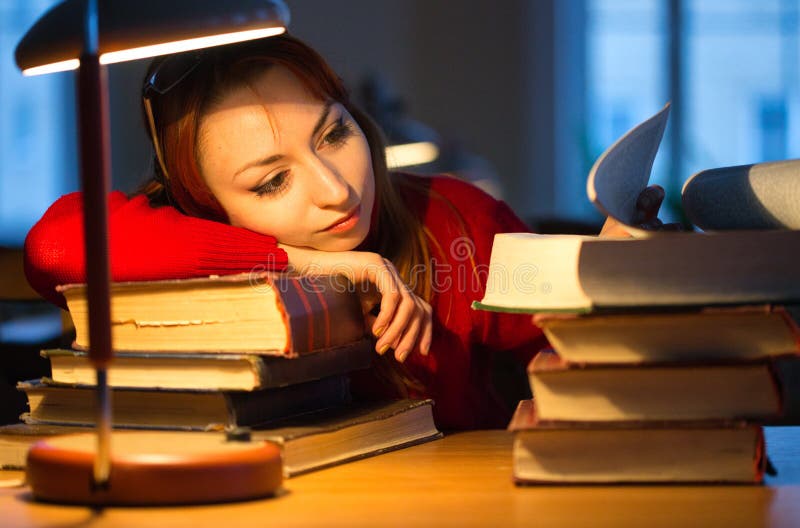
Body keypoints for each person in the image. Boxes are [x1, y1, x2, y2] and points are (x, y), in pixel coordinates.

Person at [24, 34, 660, 430]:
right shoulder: (188, 241)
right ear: (209, 208)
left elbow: (569, 355)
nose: (337, 190)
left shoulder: (455, 220)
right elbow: (54, 247)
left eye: (333, 134)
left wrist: (610, 296)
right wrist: (301, 264)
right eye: (271, 182)